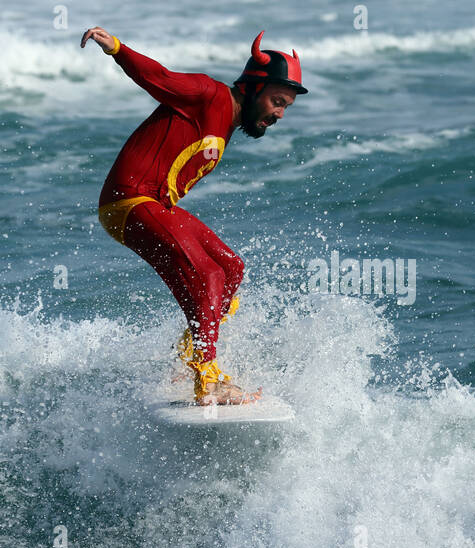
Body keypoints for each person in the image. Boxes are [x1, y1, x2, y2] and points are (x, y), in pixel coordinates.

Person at [81, 27, 307, 404]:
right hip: (130, 202)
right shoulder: (209, 94)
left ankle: (191, 353)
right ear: (253, 87)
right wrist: (116, 48)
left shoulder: (228, 121)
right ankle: (208, 379)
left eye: (285, 106)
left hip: (156, 206)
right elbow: (159, 78)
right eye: (277, 101)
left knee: (230, 268)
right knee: (208, 274)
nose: (280, 113)